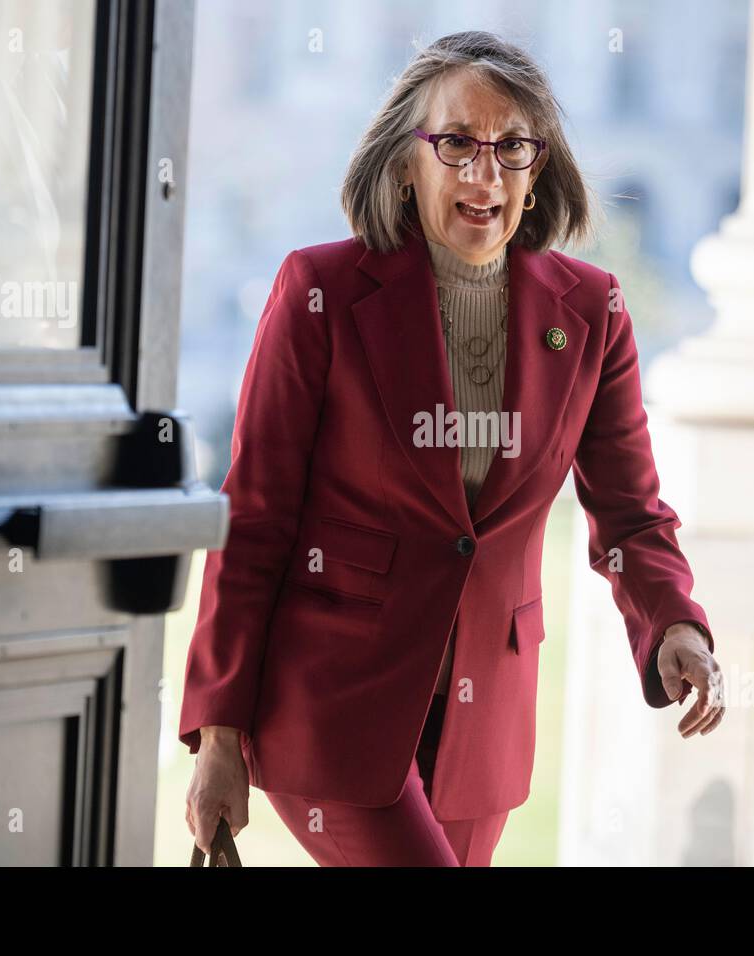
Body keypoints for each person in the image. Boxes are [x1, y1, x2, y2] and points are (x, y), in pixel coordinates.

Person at [180, 30, 724, 867]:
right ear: (406, 163)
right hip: (331, 706)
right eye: (457, 144)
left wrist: (673, 623)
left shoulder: (594, 311)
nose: (484, 174)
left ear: (537, 168)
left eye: (511, 146)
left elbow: (629, 512)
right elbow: (254, 521)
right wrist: (220, 734)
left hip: (485, 723)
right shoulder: (319, 292)